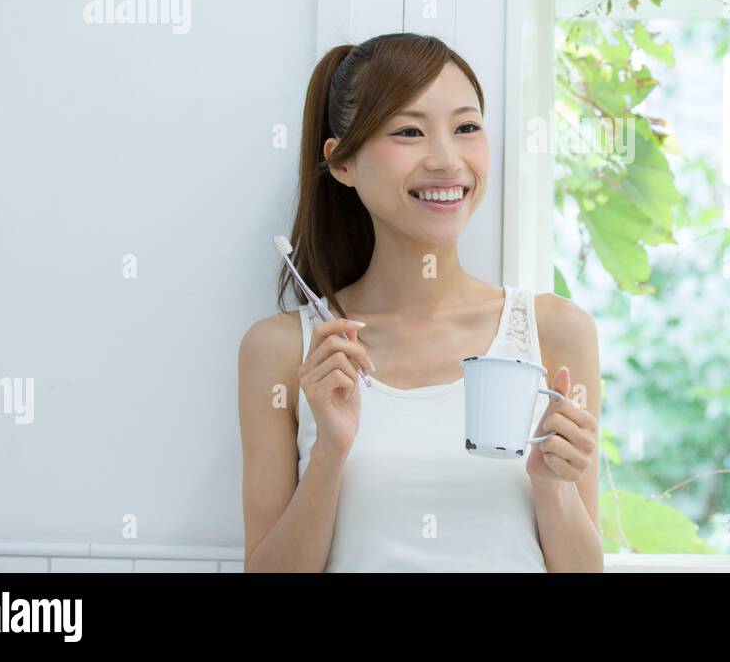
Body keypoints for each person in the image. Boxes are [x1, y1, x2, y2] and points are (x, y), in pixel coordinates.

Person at [238, 33, 603, 571]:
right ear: (341, 163)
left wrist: (553, 487)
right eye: (409, 131)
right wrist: (330, 454)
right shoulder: (283, 349)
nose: (446, 160)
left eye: (466, 128)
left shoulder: (556, 330)